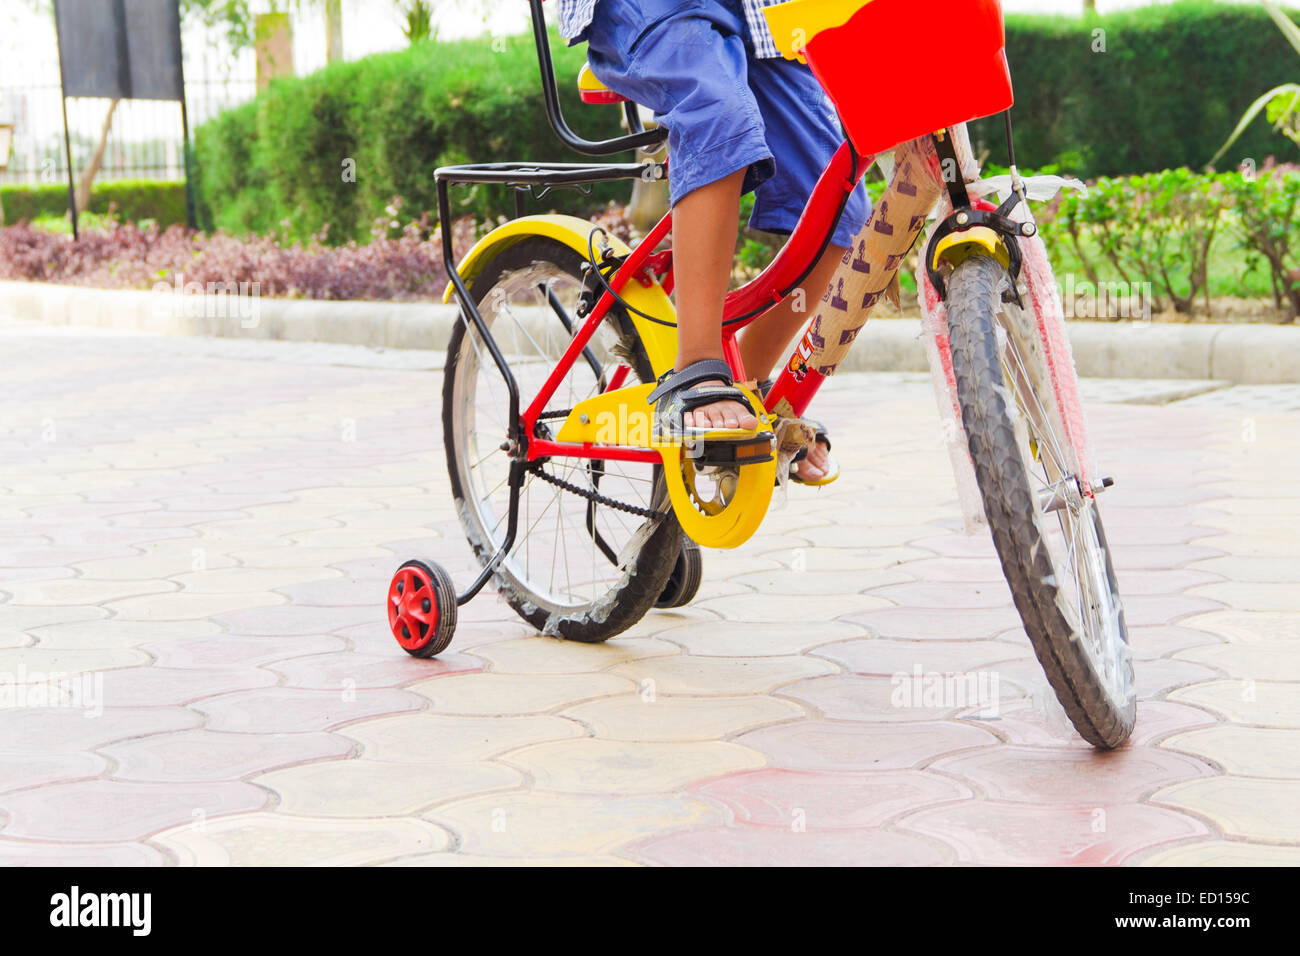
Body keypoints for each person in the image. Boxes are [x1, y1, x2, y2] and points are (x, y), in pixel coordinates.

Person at [558, 0, 869, 483]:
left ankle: (751, 386)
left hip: (764, 19)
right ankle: (698, 366)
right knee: (715, 113)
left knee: (843, 204)